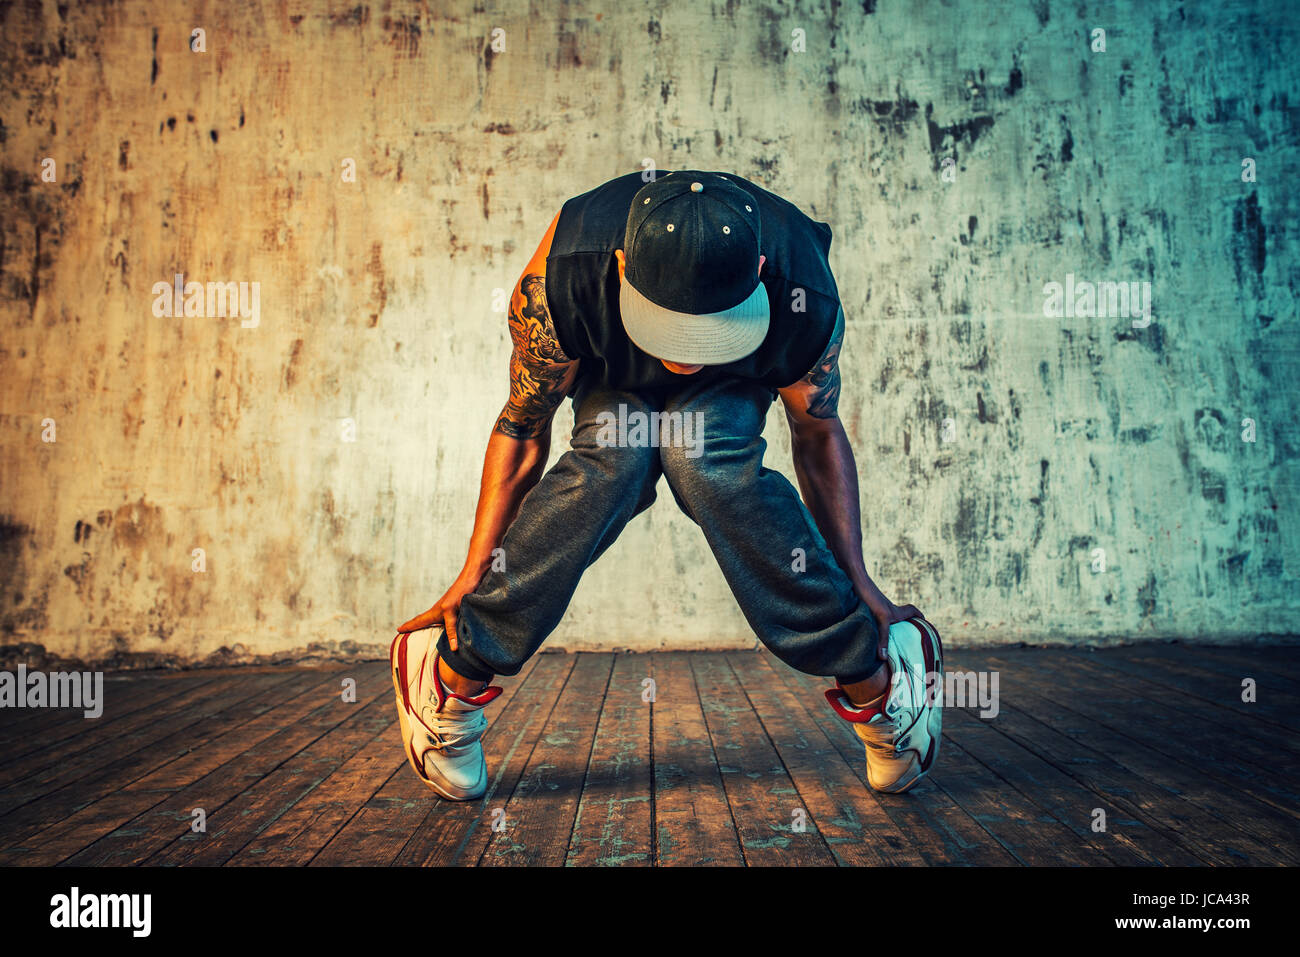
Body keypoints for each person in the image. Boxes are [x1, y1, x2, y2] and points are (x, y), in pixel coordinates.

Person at [391, 170, 943, 801]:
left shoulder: (803, 297)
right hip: (612, 372)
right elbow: (521, 430)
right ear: (622, 267)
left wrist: (859, 582)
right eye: (670, 327)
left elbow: (816, 435)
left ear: (760, 270)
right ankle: (449, 675)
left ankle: (880, 676)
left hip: (732, 385)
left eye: (706, 330)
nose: (685, 353)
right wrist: (473, 575)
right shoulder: (563, 284)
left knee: (700, 455)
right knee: (614, 460)